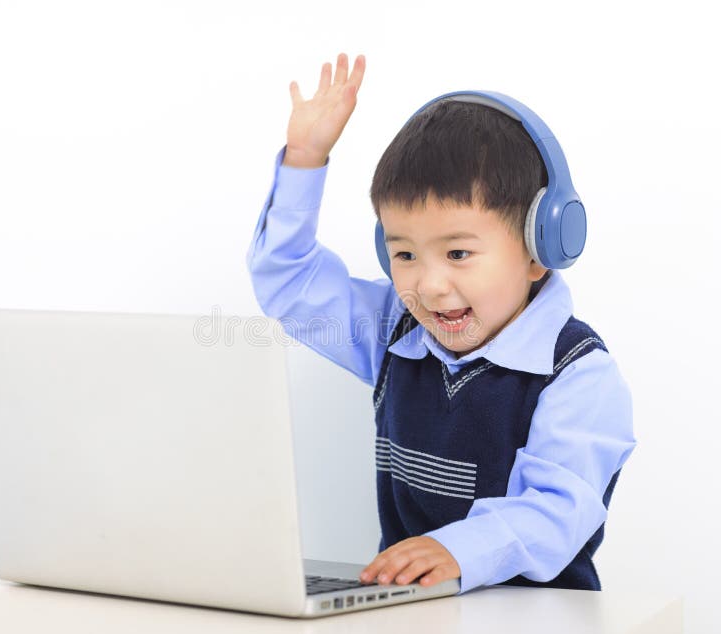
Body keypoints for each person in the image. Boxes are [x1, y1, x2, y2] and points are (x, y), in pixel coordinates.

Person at [246, 52, 636, 595]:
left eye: (457, 253)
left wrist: (457, 549)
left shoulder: (576, 373)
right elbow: (290, 286)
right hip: (410, 610)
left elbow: (556, 512)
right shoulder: (396, 332)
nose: (427, 286)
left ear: (540, 246)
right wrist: (305, 160)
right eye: (404, 255)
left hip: (537, 616)